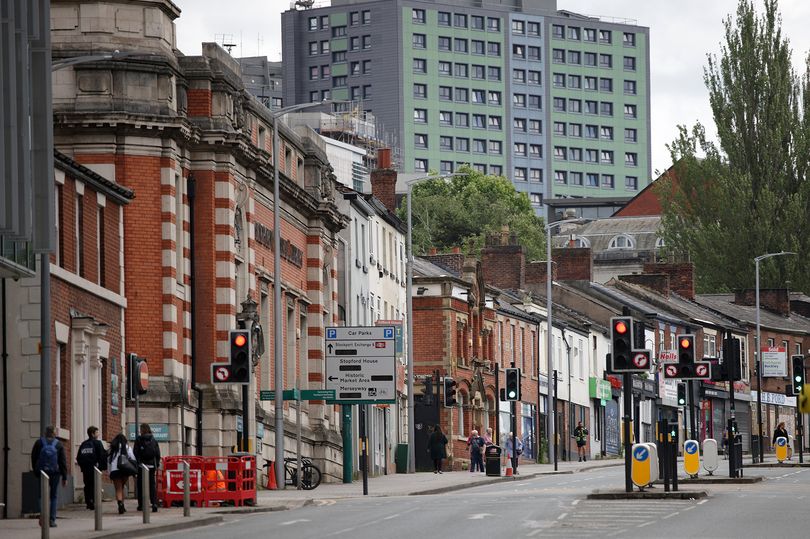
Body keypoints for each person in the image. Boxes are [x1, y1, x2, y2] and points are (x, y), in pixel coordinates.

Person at [31, 426, 67, 528]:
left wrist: (36, 471)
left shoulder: (39, 443)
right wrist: (64, 477)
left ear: (45, 433)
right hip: (55, 473)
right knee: (53, 496)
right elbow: (62, 461)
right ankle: (51, 520)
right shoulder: (58, 444)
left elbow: (34, 458)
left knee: (41, 495)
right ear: (54, 433)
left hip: (42, 472)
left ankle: (43, 516)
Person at [75, 426, 107, 510]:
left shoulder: (83, 444)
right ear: (93, 434)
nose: (98, 434)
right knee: (95, 485)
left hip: (86, 469)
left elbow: (78, 457)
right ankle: (94, 501)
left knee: (87, 485)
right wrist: (101, 467)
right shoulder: (98, 443)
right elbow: (102, 456)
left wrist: (83, 466)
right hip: (95, 469)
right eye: (97, 432)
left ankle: (88, 502)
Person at [134, 423, 161, 512]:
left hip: (142, 466)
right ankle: (154, 503)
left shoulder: (138, 439)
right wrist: (156, 464)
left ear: (142, 430)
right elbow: (157, 453)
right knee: (152, 485)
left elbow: (135, 452)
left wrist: (138, 463)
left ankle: (141, 505)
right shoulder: (153, 439)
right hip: (152, 466)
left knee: (141, 485)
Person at [108, 433, 137, 514]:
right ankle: (122, 505)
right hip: (124, 470)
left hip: (115, 470)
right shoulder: (127, 448)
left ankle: (120, 504)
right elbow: (133, 458)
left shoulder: (113, 448)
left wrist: (109, 472)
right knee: (122, 487)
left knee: (118, 489)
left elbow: (109, 461)